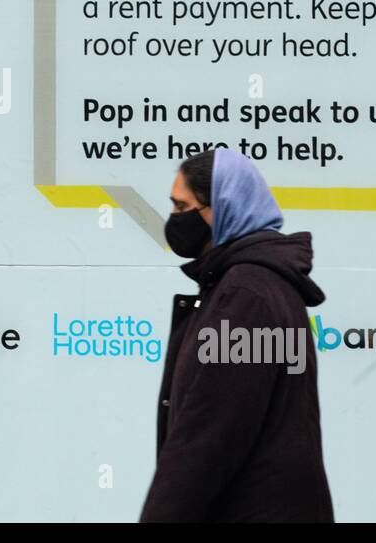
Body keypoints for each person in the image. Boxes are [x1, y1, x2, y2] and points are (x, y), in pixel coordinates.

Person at [139, 147, 335, 522]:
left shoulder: (247, 299)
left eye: (183, 208)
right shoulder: (256, 286)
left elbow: (210, 433)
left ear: (221, 209)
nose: (174, 220)